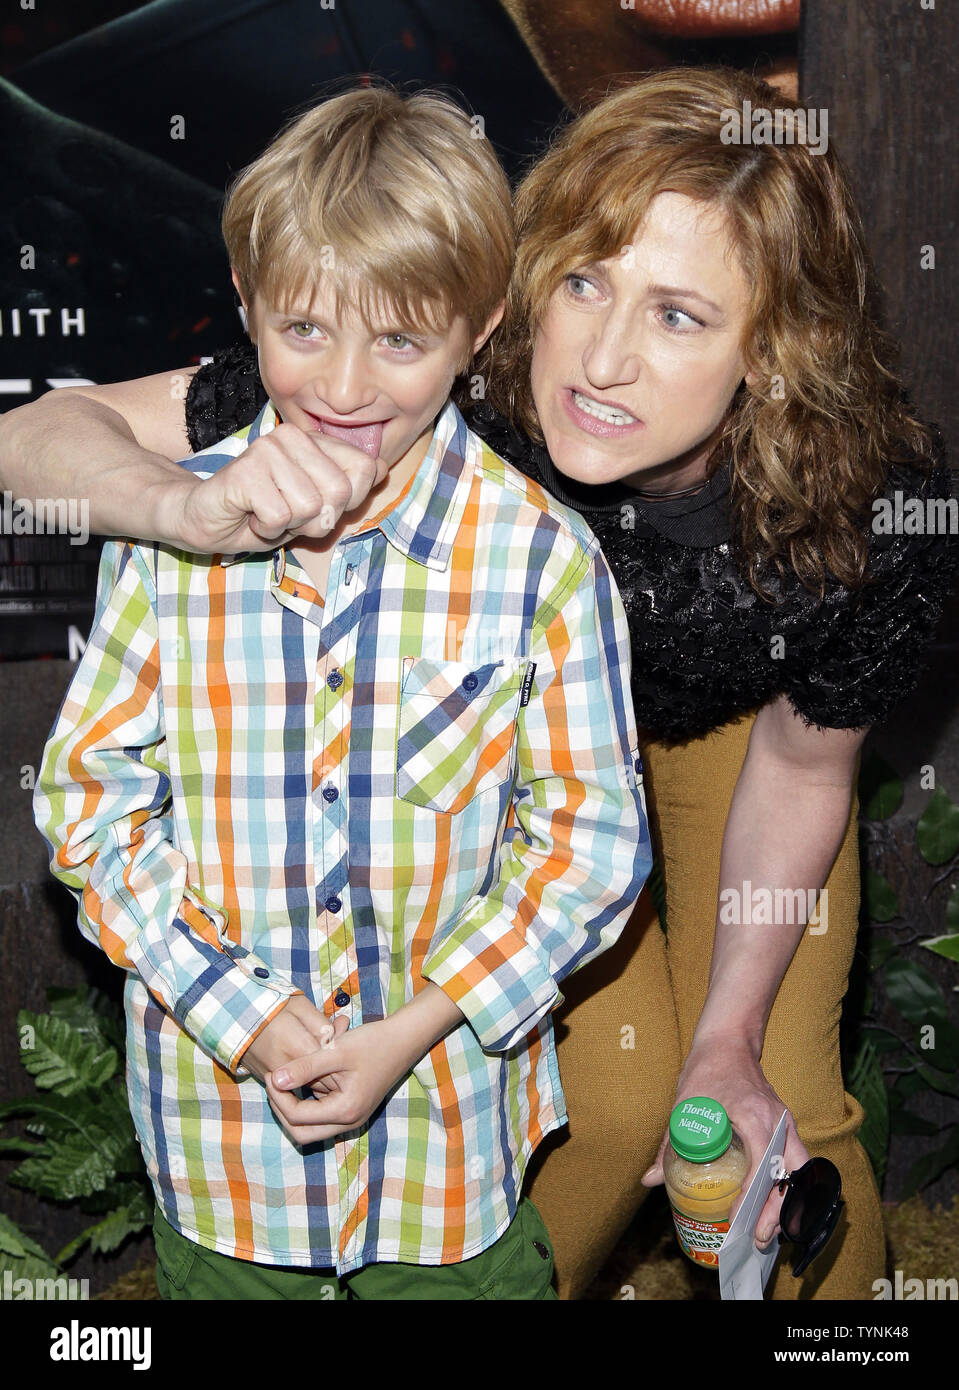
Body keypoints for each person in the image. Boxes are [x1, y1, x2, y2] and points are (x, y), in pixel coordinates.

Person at [8, 67, 956, 1301]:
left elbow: (797, 764)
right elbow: (45, 436)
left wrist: (723, 1039)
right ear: (512, 295)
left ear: (770, 348)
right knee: (608, 1109)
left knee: (771, 1103)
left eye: (677, 315)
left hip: (729, 742)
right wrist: (183, 513)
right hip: (507, 750)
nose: (603, 359)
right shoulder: (406, 383)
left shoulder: (866, 505)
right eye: (583, 282)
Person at [30, 86, 650, 1300]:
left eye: (402, 341)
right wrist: (242, 1014)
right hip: (221, 1160)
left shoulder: (540, 560)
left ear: (478, 330)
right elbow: (89, 807)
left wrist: (414, 1027)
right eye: (304, 329)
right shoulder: (167, 536)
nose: (347, 385)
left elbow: (588, 846)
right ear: (247, 306)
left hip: (451, 1150)